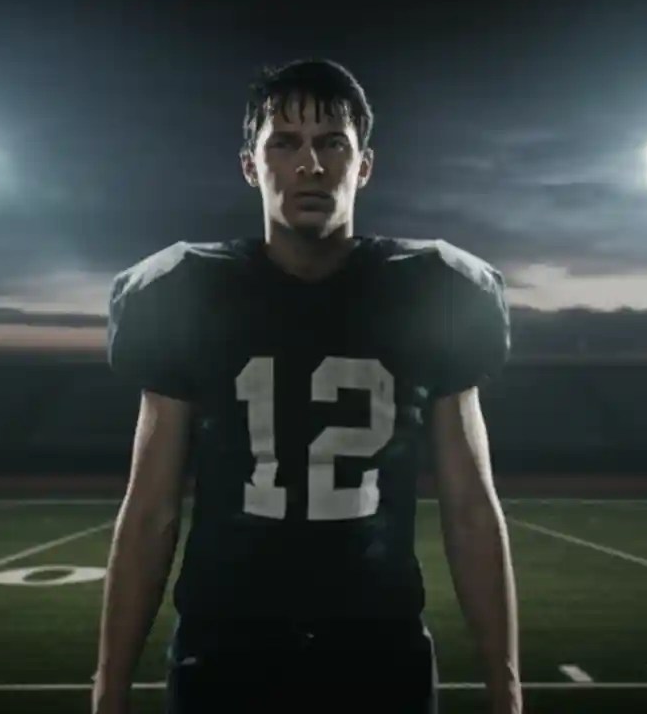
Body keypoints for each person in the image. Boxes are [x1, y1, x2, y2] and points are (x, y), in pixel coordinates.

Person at [92, 58, 522, 714]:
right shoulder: (187, 293)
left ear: (364, 165)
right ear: (251, 165)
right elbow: (151, 510)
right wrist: (109, 689)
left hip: (379, 656)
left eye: (332, 144)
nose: (311, 165)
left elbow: (469, 506)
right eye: (284, 144)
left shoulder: (432, 291)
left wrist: (506, 687)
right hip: (225, 655)